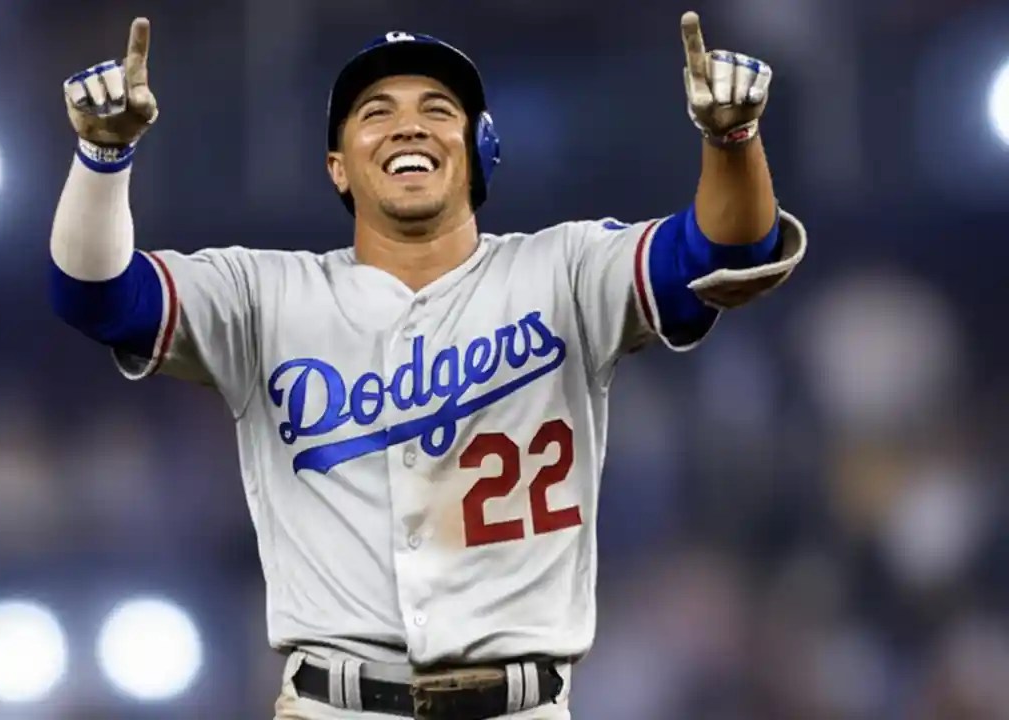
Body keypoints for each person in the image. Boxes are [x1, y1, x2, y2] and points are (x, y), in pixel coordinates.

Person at [49, 12, 806, 720]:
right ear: (338, 167)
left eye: (439, 109)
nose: (407, 122)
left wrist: (733, 139)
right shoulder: (264, 294)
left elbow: (725, 250)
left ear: (481, 151)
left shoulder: (567, 272)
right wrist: (103, 159)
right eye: (374, 111)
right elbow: (97, 295)